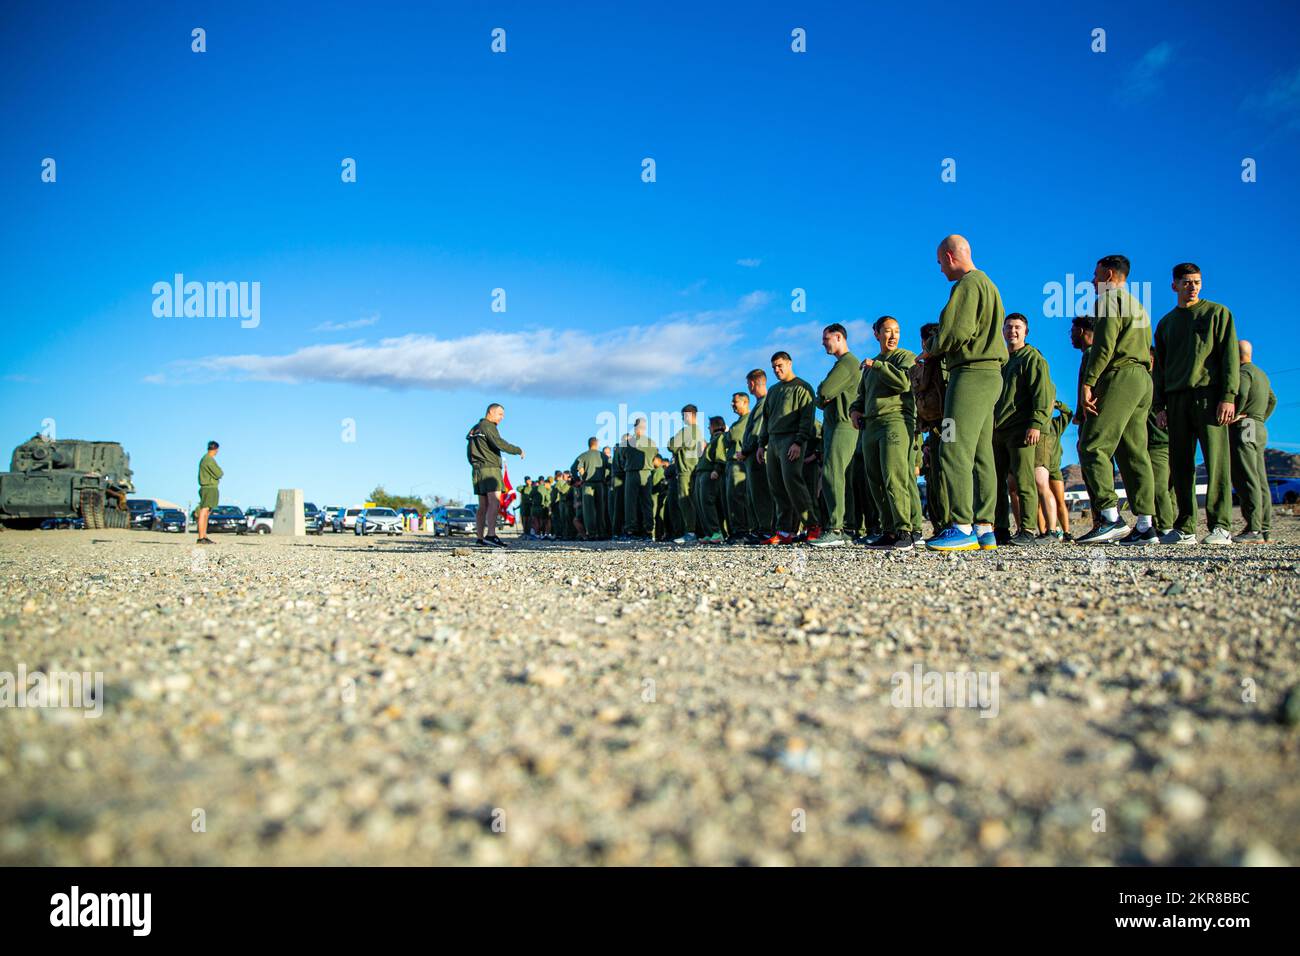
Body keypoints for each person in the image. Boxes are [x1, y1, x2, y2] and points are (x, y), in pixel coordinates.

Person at [924, 235, 1009, 552]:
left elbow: (956, 332)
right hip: (991, 375)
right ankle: (985, 528)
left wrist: (931, 349)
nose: (940, 270)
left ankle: (961, 526)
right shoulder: (990, 285)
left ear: (948, 256)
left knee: (952, 444)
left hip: (969, 374)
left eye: (938, 263)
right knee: (981, 453)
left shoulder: (965, 286)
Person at [1153, 262, 1240, 546]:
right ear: (1174, 285)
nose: (1192, 287)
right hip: (1176, 398)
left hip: (1210, 396)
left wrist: (1228, 396)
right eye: (1187, 282)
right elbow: (1160, 369)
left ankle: (1220, 526)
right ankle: (1186, 526)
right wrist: (1160, 405)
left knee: (1216, 462)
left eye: (1197, 282)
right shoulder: (1166, 324)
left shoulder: (1218, 313)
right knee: (1180, 465)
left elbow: (1229, 358)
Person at [1074, 255, 1158, 546]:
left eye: (1096, 276)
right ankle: (1146, 527)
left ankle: (1110, 518)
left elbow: (1104, 345)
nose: (1093, 282)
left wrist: (1088, 382)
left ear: (1109, 275)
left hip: (1119, 375)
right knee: (1133, 452)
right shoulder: (1138, 305)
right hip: (1142, 379)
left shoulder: (1108, 300)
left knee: (1092, 444)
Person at [849, 316, 917, 550]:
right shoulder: (870, 365)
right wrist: (855, 410)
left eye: (897, 331)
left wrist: (878, 366)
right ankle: (888, 531)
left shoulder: (904, 357)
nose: (893, 335)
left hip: (895, 420)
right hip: (871, 425)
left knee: (894, 476)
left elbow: (903, 383)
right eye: (887, 331)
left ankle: (905, 530)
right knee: (875, 479)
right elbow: (861, 395)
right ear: (876, 333)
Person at [992, 313, 1054, 546]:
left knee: (1024, 479)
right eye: (1008, 327)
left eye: (1017, 327)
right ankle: (1000, 528)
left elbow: (1043, 393)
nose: (1012, 331)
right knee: (996, 481)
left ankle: (1028, 529)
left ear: (1026, 332)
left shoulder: (1032, 358)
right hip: (997, 429)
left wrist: (1036, 424)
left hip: (1021, 429)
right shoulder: (1000, 360)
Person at [757, 352, 818, 543]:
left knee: (793, 482)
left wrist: (799, 442)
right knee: (776, 486)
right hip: (773, 441)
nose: (776, 370)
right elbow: (766, 420)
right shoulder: (773, 391)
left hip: (791, 440)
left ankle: (812, 525)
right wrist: (761, 444)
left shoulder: (803, 387)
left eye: (780, 365)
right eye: (774, 366)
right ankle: (784, 531)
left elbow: (807, 418)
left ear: (790, 363)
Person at [814, 323, 862, 548]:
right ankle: (846, 528)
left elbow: (823, 392)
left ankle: (835, 528)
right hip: (837, 425)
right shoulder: (843, 364)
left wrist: (822, 395)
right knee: (840, 475)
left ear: (839, 337)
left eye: (826, 338)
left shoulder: (847, 363)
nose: (823, 343)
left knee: (833, 473)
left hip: (843, 425)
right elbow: (823, 398)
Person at [1230, 340, 1277, 542]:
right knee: (1260, 478)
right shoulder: (1262, 374)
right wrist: (1259, 418)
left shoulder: (1243, 373)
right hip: (1259, 427)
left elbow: (1241, 392)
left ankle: (1254, 529)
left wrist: (1239, 412)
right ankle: (1264, 529)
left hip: (1246, 427)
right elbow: (1272, 400)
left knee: (1247, 476)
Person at [466, 404, 524, 547]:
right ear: (491, 412)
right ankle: (491, 535)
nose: (502, 418)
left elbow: (469, 452)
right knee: (494, 502)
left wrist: (475, 465)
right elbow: (499, 443)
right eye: (500, 414)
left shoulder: (475, 428)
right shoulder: (488, 426)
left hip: (477, 470)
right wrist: (518, 450)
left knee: (482, 505)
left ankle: (480, 538)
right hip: (490, 468)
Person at [738, 370, 775, 544]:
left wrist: (745, 450)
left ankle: (766, 529)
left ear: (752, 383)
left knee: (761, 492)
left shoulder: (763, 403)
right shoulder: (760, 403)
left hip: (757, 455)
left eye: (748, 384)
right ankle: (762, 527)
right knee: (755, 493)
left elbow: (757, 431)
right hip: (753, 454)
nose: (748, 387)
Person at [687, 416, 728, 544]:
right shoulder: (712, 440)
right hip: (701, 474)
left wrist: (717, 469)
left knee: (708, 502)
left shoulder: (720, 438)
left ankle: (717, 532)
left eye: (709, 426)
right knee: (701, 504)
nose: (708, 428)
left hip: (709, 473)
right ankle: (709, 533)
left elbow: (720, 455)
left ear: (715, 426)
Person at [668, 406, 704, 542]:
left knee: (685, 501)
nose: (683, 418)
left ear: (688, 415)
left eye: (683, 415)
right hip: (695, 468)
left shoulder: (687, 430)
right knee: (694, 501)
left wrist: (674, 441)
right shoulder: (699, 431)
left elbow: (671, 445)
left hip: (685, 470)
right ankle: (696, 531)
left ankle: (690, 532)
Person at [724, 393, 752, 543]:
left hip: (739, 463)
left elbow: (733, 437)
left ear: (745, 402)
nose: (732, 405)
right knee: (731, 498)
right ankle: (736, 529)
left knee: (738, 496)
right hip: (731, 463)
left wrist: (728, 435)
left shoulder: (749, 419)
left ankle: (743, 530)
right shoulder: (738, 421)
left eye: (735, 402)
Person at [624, 418, 656, 539]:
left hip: (632, 473)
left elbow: (623, 456)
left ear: (635, 427)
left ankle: (631, 530)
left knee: (630, 503)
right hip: (647, 472)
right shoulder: (651, 442)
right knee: (647, 502)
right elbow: (654, 455)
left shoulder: (628, 442)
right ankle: (648, 530)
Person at [573, 439, 605, 541]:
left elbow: (573, 468)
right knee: (600, 509)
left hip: (587, 485)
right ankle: (602, 533)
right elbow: (610, 467)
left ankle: (591, 533)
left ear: (588, 444)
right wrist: (607, 478)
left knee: (589, 511)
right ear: (597, 444)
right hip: (600, 484)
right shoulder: (602, 455)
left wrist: (577, 480)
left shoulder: (583, 456)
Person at [196, 440, 222, 545]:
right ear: (215, 449)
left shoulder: (205, 459)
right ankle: (201, 537)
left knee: (207, 511)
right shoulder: (209, 460)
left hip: (208, 486)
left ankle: (204, 536)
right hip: (209, 487)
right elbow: (219, 473)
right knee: (204, 510)